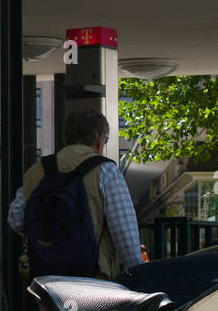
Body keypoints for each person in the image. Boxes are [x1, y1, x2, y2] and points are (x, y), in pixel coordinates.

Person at [7, 107, 144, 280]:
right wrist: (138, 273)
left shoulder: (36, 170)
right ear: (101, 138)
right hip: (92, 280)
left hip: (45, 280)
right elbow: (124, 231)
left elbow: (15, 219)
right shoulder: (106, 170)